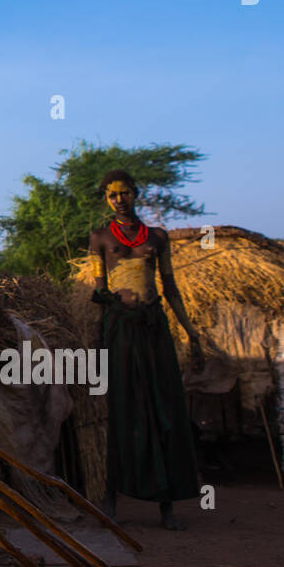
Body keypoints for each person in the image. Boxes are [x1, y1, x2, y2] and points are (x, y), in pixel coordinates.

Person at [88, 170, 204, 531]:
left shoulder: (157, 237)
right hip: (121, 329)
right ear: (107, 199)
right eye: (112, 195)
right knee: (123, 410)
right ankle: (111, 500)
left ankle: (166, 506)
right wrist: (100, 330)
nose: (119, 200)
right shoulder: (100, 238)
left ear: (136, 194)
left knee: (164, 407)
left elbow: (170, 287)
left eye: (124, 193)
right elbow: (98, 290)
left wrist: (192, 333)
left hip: (155, 328)